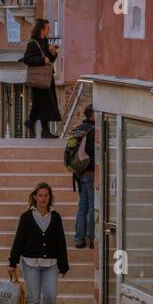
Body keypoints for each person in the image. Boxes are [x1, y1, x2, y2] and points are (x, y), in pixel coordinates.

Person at [9, 182, 70, 304]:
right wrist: (12, 262)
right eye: (40, 195)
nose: (43, 198)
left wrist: (64, 264)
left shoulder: (56, 217)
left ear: (50, 198)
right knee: (34, 297)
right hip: (30, 263)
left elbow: (60, 242)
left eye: (46, 195)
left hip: (51, 263)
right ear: (35, 197)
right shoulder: (26, 217)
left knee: (50, 295)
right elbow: (18, 241)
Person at [23, 19, 62, 138]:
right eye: (47, 29)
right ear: (41, 29)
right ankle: (43, 130)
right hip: (38, 79)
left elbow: (49, 60)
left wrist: (53, 53)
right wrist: (41, 60)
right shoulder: (33, 44)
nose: (49, 31)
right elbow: (27, 59)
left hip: (46, 78)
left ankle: (31, 123)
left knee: (39, 104)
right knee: (44, 103)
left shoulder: (44, 42)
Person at [68, 106, 97, 249]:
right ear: (93, 115)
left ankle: (79, 239)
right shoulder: (94, 131)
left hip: (79, 173)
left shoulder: (77, 129)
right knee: (92, 206)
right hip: (92, 172)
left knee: (82, 206)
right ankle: (92, 237)